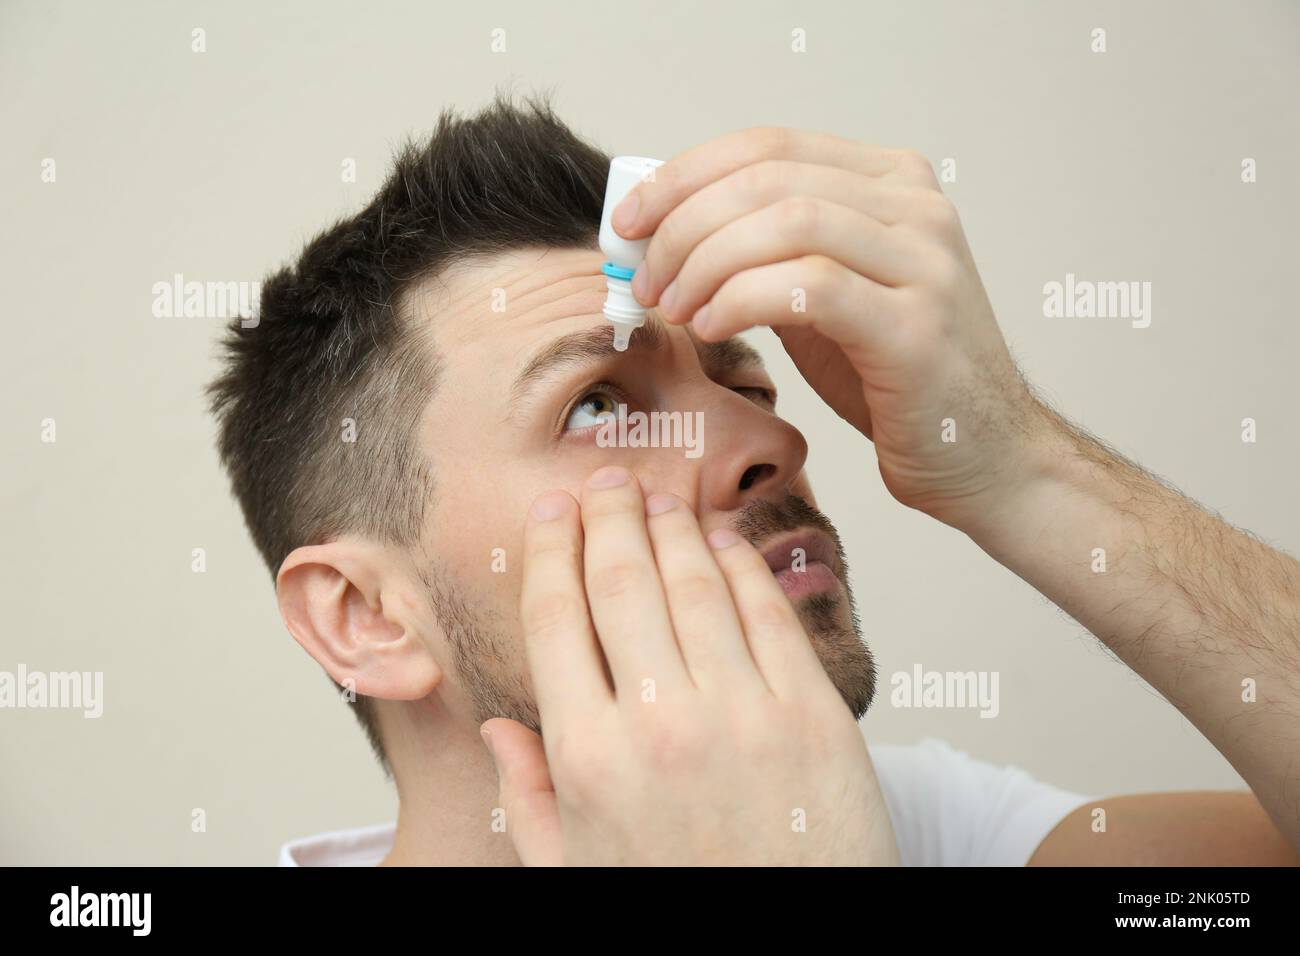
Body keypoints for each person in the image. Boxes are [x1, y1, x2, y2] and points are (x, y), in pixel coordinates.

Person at [208, 94, 1299, 866]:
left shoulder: (921, 825)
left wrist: (1025, 465)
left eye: (744, 379)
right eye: (598, 405)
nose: (767, 438)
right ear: (364, 617)